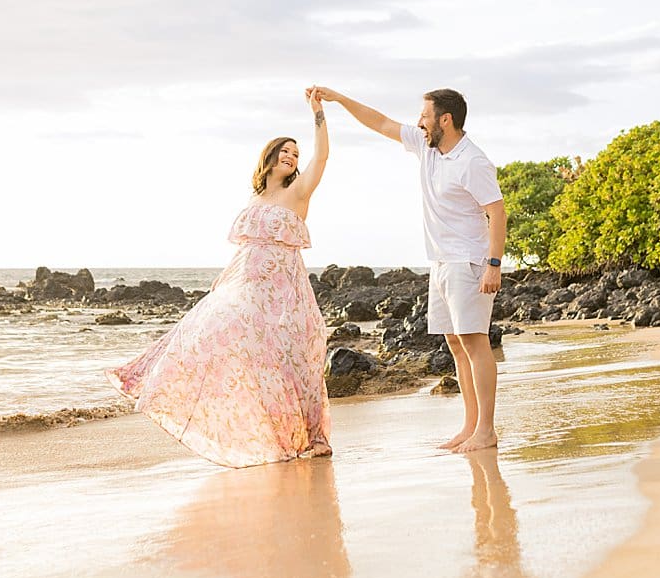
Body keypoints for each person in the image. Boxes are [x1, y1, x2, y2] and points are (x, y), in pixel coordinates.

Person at [107, 90, 332, 467]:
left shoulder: (298, 192)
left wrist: (318, 113)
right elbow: (245, 251)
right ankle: (269, 432)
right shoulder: (255, 200)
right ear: (269, 157)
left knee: (294, 362)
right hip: (246, 291)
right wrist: (222, 283)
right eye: (285, 151)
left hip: (285, 295)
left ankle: (315, 438)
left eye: (296, 153)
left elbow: (322, 156)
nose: (292, 157)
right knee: (216, 342)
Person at [309, 86, 505, 453]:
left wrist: (494, 265)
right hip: (440, 262)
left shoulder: (473, 161)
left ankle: (486, 430)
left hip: (469, 261)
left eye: (425, 116)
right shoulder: (427, 147)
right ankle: (469, 425)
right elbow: (381, 122)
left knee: (475, 343)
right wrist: (339, 99)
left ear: (445, 120)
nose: (419, 122)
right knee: (455, 344)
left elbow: (497, 212)